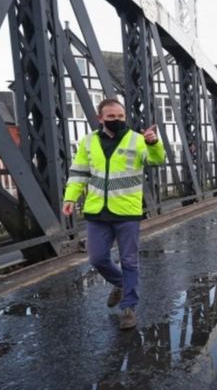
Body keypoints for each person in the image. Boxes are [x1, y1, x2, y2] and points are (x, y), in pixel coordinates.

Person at [62, 98, 166, 330]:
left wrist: (154, 143)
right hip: (97, 211)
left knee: (129, 260)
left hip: (127, 211)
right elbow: (79, 173)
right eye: (111, 117)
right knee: (97, 258)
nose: (116, 120)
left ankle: (128, 307)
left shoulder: (137, 140)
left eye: (120, 117)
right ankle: (121, 284)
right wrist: (70, 197)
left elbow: (158, 160)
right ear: (100, 119)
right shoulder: (88, 142)